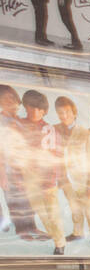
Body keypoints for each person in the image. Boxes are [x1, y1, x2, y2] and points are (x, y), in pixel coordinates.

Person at [17, 90, 67, 255]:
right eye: (31, 107)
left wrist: (51, 180)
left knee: (52, 212)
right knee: (39, 210)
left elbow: (56, 156)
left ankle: (60, 243)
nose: (35, 112)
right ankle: (55, 236)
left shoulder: (49, 129)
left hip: (47, 176)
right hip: (28, 176)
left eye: (39, 109)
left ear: (44, 111)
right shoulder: (19, 124)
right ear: (25, 106)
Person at [53, 96, 90, 252]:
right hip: (66, 181)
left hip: (84, 182)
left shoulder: (87, 135)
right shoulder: (54, 130)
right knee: (75, 209)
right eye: (60, 113)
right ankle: (77, 233)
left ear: (74, 112)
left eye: (67, 112)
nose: (64, 116)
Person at [0, 84, 39, 237]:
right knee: (14, 198)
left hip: (21, 167)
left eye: (13, 99)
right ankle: (22, 230)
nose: (12, 103)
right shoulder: (2, 121)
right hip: (8, 167)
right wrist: (2, 172)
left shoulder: (19, 120)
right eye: (5, 100)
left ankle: (32, 227)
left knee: (26, 197)